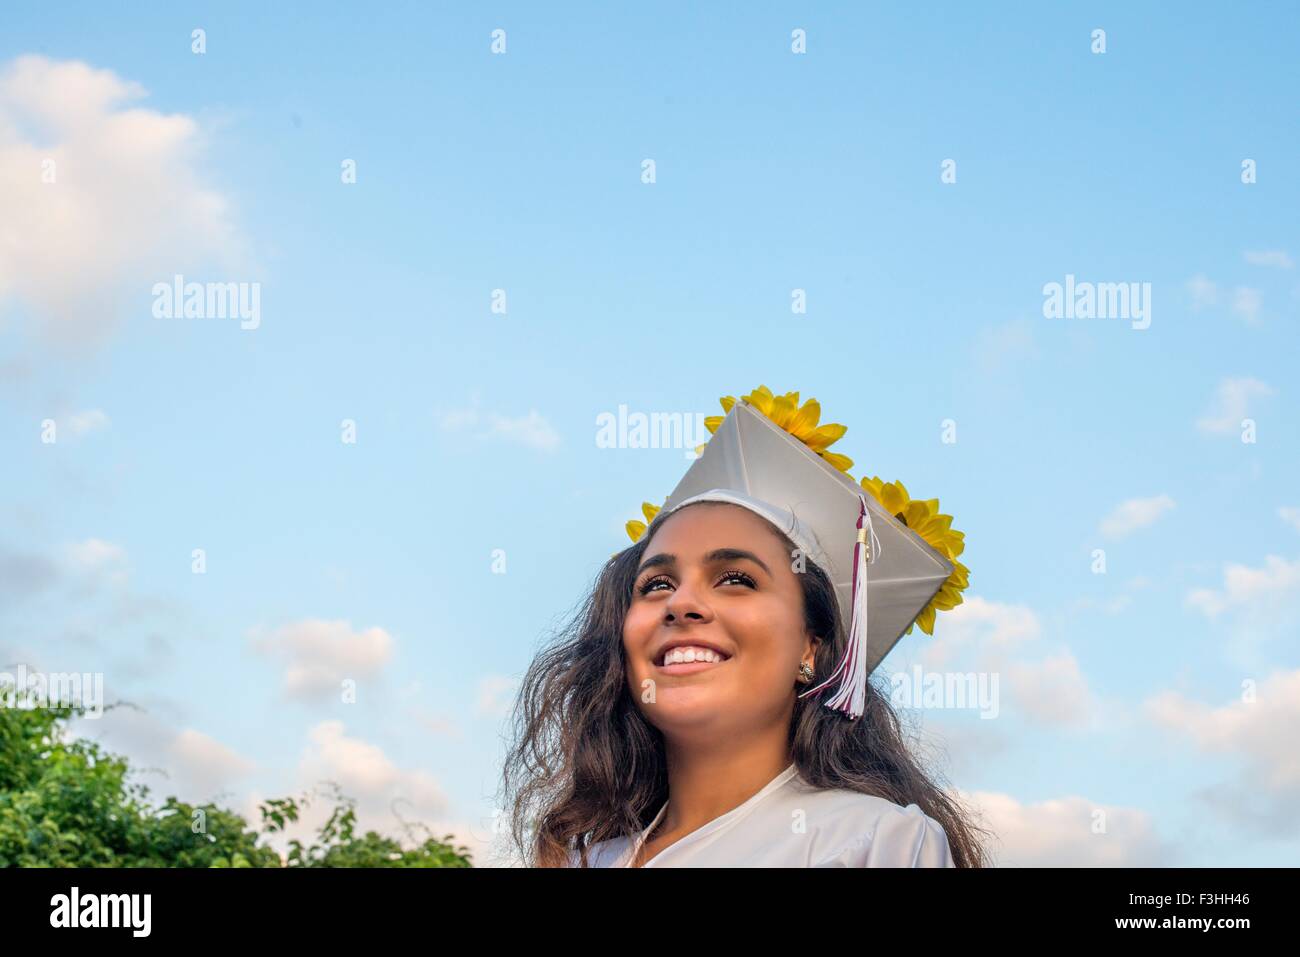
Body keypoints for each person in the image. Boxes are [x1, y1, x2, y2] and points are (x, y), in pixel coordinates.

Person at [501, 386, 988, 867]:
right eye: (655, 584)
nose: (681, 603)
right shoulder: (583, 858)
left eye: (735, 579)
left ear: (810, 649)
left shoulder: (873, 843)